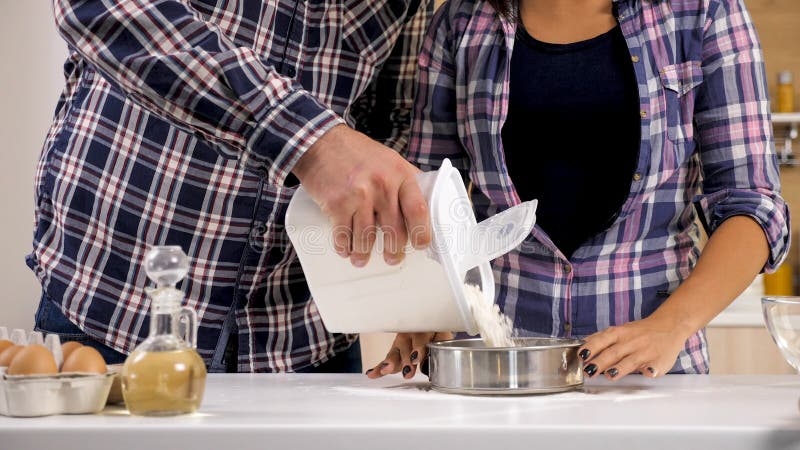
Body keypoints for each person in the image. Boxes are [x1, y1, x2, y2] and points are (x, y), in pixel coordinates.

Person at [367, 0, 790, 380]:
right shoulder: (462, 22)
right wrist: (428, 307)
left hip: (649, 372)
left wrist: (671, 325)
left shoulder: (702, 13)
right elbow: (430, 200)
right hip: (494, 365)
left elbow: (752, 205)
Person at [29, 0, 435, 373]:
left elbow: (395, 117)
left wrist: (418, 284)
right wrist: (312, 142)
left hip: (305, 338)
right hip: (116, 307)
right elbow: (101, 8)